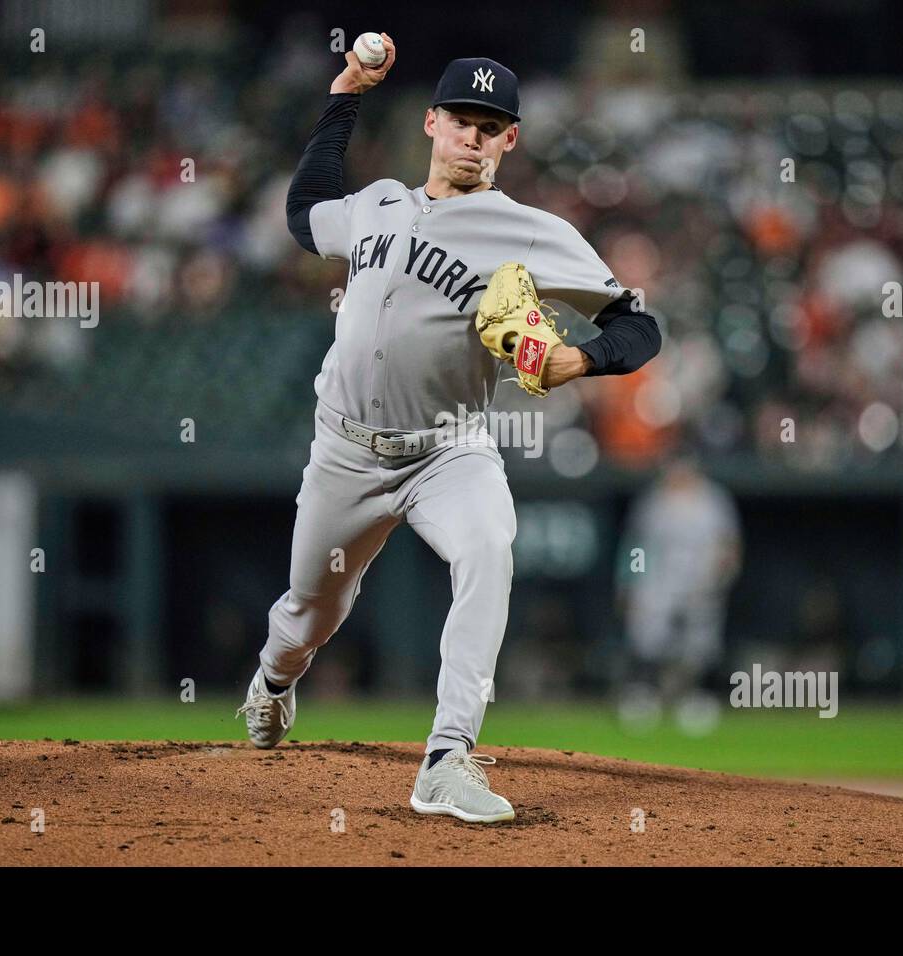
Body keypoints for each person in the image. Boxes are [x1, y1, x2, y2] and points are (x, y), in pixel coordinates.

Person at [237, 36, 662, 822]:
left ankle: (446, 757)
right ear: (431, 123)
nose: (473, 136)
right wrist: (344, 98)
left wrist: (581, 360)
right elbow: (303, 214)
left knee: (487, 548)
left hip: (449, 448)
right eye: (461, 119)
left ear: (510, 140)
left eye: (490, 125)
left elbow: (639, 325)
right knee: (308, 613)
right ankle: (270, 685)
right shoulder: (378, 204)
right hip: (344, 451)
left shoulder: (530, 232)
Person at [616, 453, 742, 735]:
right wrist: (631, 582)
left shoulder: (713, 499)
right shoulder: (654, 500)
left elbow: (728, 544)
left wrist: (722, 577)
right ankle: (643, 697)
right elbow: (637, 544)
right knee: (648, 637)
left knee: (698, 645)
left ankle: (692, 698)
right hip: (658, 579)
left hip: (701, 579)